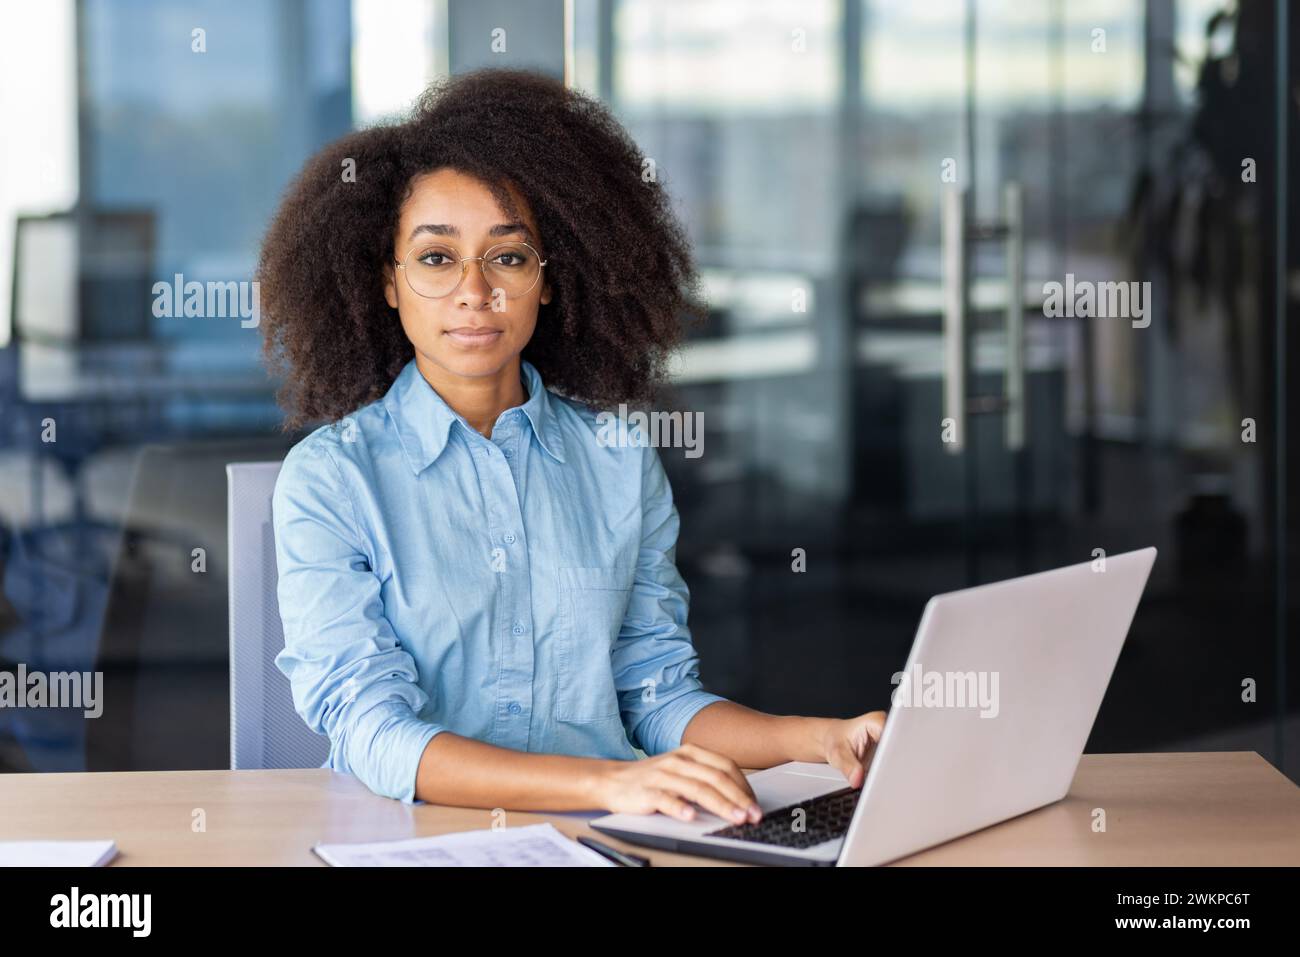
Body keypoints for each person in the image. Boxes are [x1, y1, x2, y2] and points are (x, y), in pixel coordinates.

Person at [257, 68, 886, 827]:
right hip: (417, 842)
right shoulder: (331, 480)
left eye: (509, 257)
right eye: (435, 257)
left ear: (553, 280)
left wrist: (815, 738)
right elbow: (374, 733)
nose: (474, 291)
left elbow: (654, 693)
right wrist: (606, 782)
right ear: (386, 283)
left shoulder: (619, 458)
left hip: (612, 837)